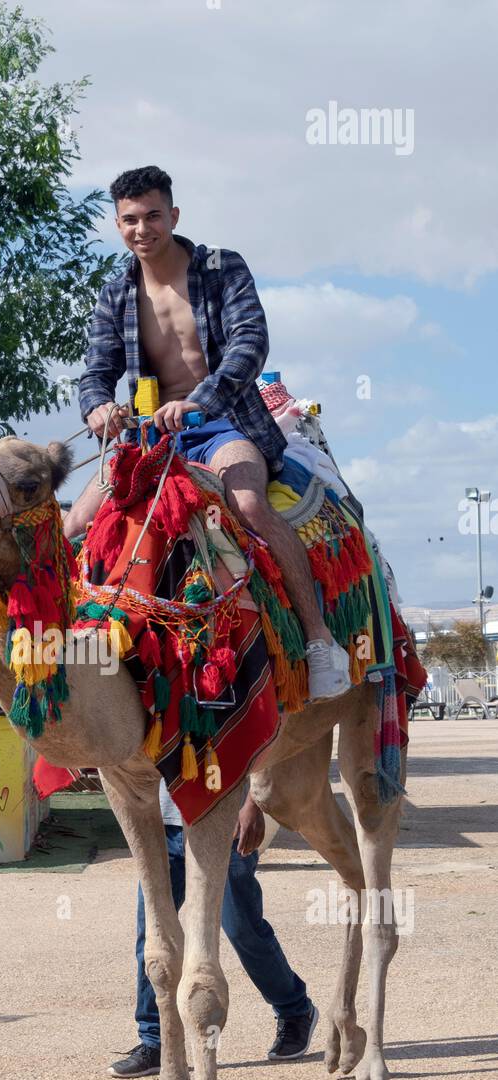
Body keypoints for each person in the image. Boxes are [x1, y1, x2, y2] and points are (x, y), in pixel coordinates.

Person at [68, 164, 351, 702]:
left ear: (173, 215)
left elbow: (250, 343)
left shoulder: (223, 268)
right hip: (151, 439)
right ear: (117, 224)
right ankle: (69, 654)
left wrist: (197, 402)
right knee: (78, 521)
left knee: (248, 503)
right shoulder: (115, 294)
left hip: (226, 424)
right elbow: (95, 373)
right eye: (129, 219)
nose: (141, 229)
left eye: (153, 215)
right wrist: (97, 408)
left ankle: (318, 641)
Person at [109, 785, 319, 1076]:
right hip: (161, 827)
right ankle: (155, 1039)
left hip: (223, 824)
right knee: (154, 933)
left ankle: (295, 1010)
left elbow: (253, 744)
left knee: (241, 928)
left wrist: (252, 804)